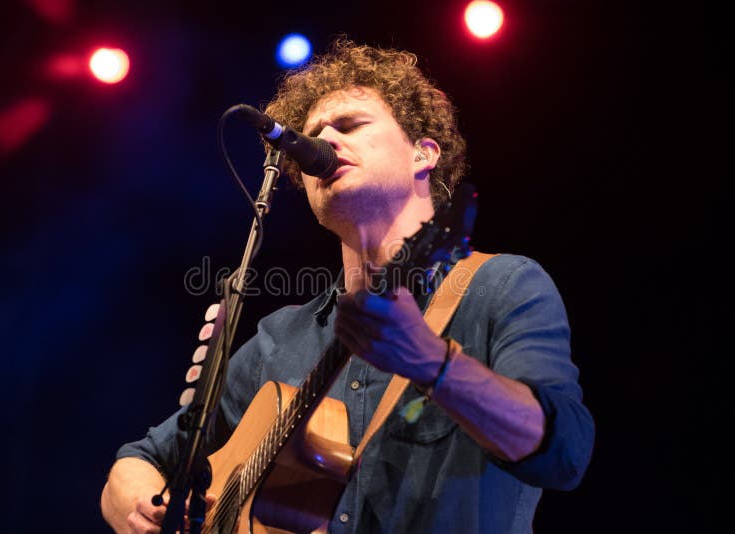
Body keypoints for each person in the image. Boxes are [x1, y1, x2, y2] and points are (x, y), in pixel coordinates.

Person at [100, 38, 594, 533]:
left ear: (423, 154)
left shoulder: (502, 285)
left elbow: (566, 453)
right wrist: (142, 505)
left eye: (351, 125)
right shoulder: (280, 337)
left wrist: (431, 363)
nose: (324, 140)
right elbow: (139, 461)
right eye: (313, 132)